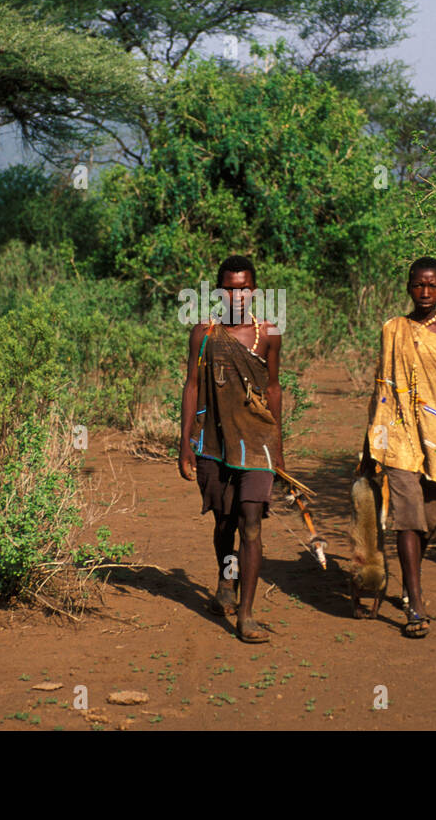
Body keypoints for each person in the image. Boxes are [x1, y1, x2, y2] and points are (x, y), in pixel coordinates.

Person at [362, 256, 436, 637]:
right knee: (408, 517)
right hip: (397, 434)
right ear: (408, 287)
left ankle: (407, 580)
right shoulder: (394, 329)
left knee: (429, 518)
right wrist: (372, 440)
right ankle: (415, 606)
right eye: (418, 285)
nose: (425, 292)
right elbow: (382, 385)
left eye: (432, 285)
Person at [179, 255, 284, 643]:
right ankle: (227, 577)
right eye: (229, 288)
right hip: (214, 443)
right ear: (218, 290)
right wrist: (185, 445)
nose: (236, 294)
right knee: (224, 522)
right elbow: (191, 386)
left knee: (251, 525)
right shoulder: (203, 334)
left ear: (254, 291)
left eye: (243, 288)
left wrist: (278, 447)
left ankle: (246, 614)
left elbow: (273, 390)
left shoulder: (268, 334)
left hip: (256, 444)